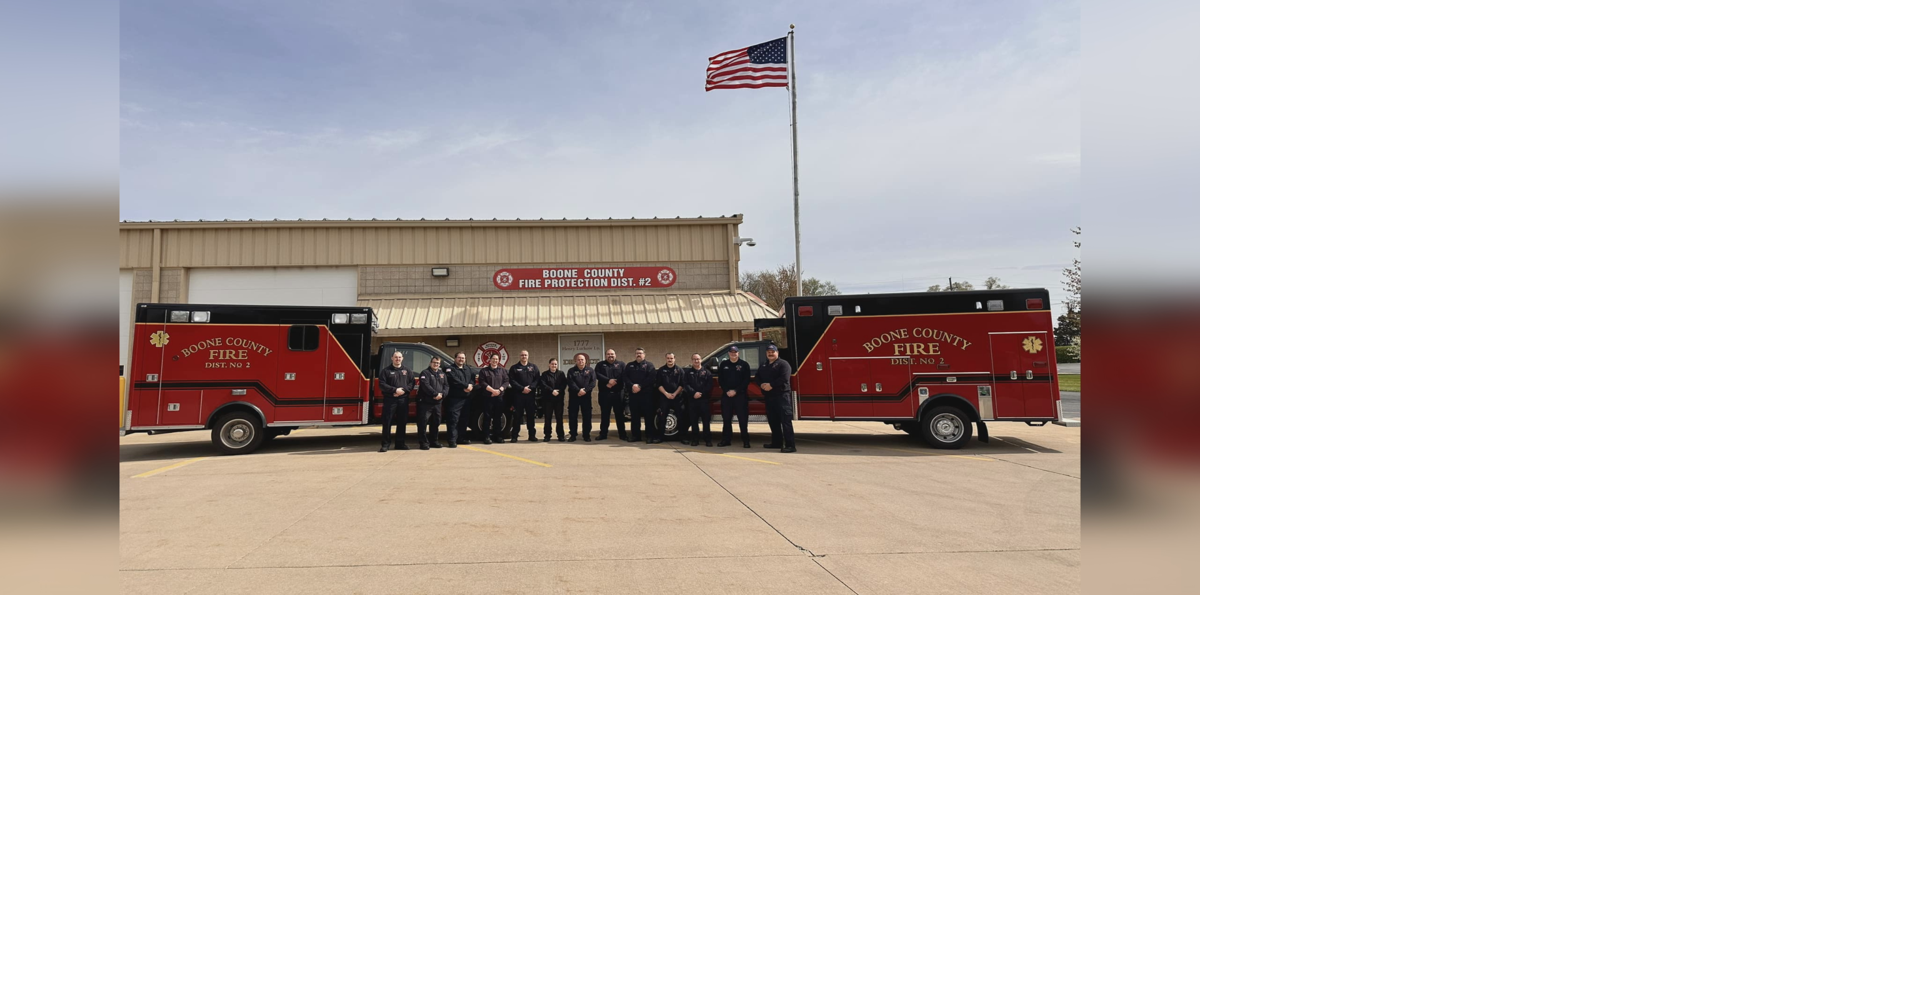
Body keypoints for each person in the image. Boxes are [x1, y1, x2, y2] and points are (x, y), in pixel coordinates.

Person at [756, 344, 795, 452]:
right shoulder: (764, 365)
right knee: (773, 421)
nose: (770, 353)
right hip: (769, 397)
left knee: (785, 421)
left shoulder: (783, 364)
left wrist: (771, 385)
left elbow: (784, 378)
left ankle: (790, 445)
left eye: (772, 351)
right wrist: (762, 385)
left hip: (782, 396)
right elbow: (757, 377)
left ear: (777, 352)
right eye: (768, 351)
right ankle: (776, 442)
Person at [715, 345, 752, 447]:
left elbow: (746, 381)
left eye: (735, 352)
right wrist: (727, 391)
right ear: (729, 354)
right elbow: (721, 380)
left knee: (742, 419)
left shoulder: (744, 365)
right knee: (726, 419)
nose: (733, 354)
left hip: (740, 396)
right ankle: (726, 440)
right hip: (726, 396)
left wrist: (735, 391)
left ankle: (746, 441)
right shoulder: (724, 364)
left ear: (738, 353)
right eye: (731, 352)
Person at [377, 350, 413, 452]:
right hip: (390, 400)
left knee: (402, 422)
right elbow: (382, 384)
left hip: (403, 400)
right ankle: (385, 444)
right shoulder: (386, 371)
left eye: (399, 357)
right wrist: (394, 390)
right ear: (392, 358)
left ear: (402, 358)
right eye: (396, 357)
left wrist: (404, 390)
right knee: (387, 422)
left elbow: (411, 383)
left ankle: (400, 443)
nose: (398, 359)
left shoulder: (407, 371)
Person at [622, 348, 655, 443]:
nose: (638, 355)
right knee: (635, 417)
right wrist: (632, 385)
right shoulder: (630, 365)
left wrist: (640, 386)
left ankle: (649, 436)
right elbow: (625, 377)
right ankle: (636, 436)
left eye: (640, 353)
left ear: (644, 354)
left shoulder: (649, 365)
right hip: (634, 395)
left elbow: (651, 378)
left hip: (646, 395)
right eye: (637, 353)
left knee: (648, 417)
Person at [507, 349, 540, 443]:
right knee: (517, 416)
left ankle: (532, 436)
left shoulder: (533, 367)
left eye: (525, 355)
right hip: (518, 396)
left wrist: (530, 387)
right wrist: (522, 388)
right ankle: (514, 436)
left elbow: (537, 379)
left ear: (528, 356)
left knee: (530, 416)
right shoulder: (514, 368)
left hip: (530, 395)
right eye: (522, 355)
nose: (524, 357)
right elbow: (512, 381)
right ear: (520, 356)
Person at [444, 351, 475, 448]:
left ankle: (461, 438)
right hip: (454, 399)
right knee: (453, 420)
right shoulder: (450, 369)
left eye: (463, 358)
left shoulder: (468, 369)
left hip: (466, 399)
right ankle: (452, 440)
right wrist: (466, 386)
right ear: (455, 358)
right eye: (459, 358)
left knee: (464, 419)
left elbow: (472, 378)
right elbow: (453, 380)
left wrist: (471, 385)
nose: (461, 359)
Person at [594, 348, 626, 441]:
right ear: (605, 355)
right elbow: (597, 374)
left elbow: (624, 375)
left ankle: (622, 434)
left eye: (612, 354)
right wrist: (608, 380)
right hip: (605, 394)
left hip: (618, 394)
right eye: (608, 354)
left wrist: (614, 382)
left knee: (619, 415)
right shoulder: (600, 365)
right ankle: (603, 434)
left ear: (615, 355)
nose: (610, 356)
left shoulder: (621, 364)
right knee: (605, 415)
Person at [416, 355, 449, 449]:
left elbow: (446, 386)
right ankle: (423, 443)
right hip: (426, 403)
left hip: (438, 403)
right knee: (423, 423)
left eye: (438, 363)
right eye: (434, 362)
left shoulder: (442, 373)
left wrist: (442, 394)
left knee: (436, 422)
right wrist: (435, 394)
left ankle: (434, 441)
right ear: (430, 363)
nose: (436, 364)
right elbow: (425, 386)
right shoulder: (425, 373)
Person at [654, 353, 685, 444]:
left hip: (677, 398)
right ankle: (660, 437)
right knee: (662, 417)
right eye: (668, 358)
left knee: (681, 417)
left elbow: (682, 385)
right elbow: (658, 384)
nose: (670, 360)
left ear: (674, 359)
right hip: (664, 398)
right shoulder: (661, 370)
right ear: (665, 359)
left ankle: (683, 437)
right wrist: (666, 394)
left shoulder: (680, 370)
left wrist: (675, 394)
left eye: (671, 358)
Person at [684, 352, 713, 447]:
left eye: (698, 359)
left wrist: (701, 393)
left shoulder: (707, 372)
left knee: (706, 421)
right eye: (694, 359)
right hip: (692, 401)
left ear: (701, 360)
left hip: (704, 400)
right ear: (692, 361)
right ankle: (695, 440)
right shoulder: (688, 373)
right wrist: (694, 393)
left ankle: (707, 440)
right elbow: (686, 385)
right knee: (694, 421)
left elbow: (709, 385)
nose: (696, 361)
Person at [481, 352, 509, 443]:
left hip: (499, 397)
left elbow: (506, 381)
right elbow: (482, 382)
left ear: (498, 361)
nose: (495, 361)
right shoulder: (484, 371)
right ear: (490, 360)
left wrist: (499, 390)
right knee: (487, 417)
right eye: (493, 359)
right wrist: (493, 391)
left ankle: (498, 437)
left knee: (498, 417)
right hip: (488, 397)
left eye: (496, 359)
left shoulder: (502, 371)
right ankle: (486, 437)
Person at [566, 353, 594, 442]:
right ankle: (573, 435)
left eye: (582, 359)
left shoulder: (590, 370)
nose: (580, 361)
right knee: (573, 416)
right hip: (574, 397)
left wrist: (585, 391)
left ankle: (586, 435)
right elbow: (570, 383)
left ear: (585, 361)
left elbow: (592, 383)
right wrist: (578, 390)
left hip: (586, 397)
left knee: (587, 416)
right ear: (576, 361)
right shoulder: (571, 371)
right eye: (578, 359)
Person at [537, 357, 566, 441]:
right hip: (548, 400)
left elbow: (564, 384)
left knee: (559, 418)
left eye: (555, 364)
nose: (554, 365)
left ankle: (560, 435)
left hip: (559, 399)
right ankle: (547, 435)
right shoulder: (544, 374)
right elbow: (543, 385)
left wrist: (559, 391)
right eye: (552, 364)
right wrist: (551, 391)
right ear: (549, 365)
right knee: (547, 418)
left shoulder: (561, 374)